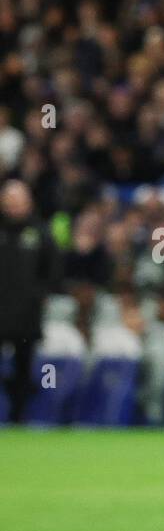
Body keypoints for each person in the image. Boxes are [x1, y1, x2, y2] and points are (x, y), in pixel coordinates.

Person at [0, 180, 59, 423]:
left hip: (27, 315)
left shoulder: (41, 232)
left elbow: (54, 270)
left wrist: (40, 295)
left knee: (24, 368)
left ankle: (18, 417)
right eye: (10, 200)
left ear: (29, 202)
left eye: (19, 200)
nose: (14, 206)